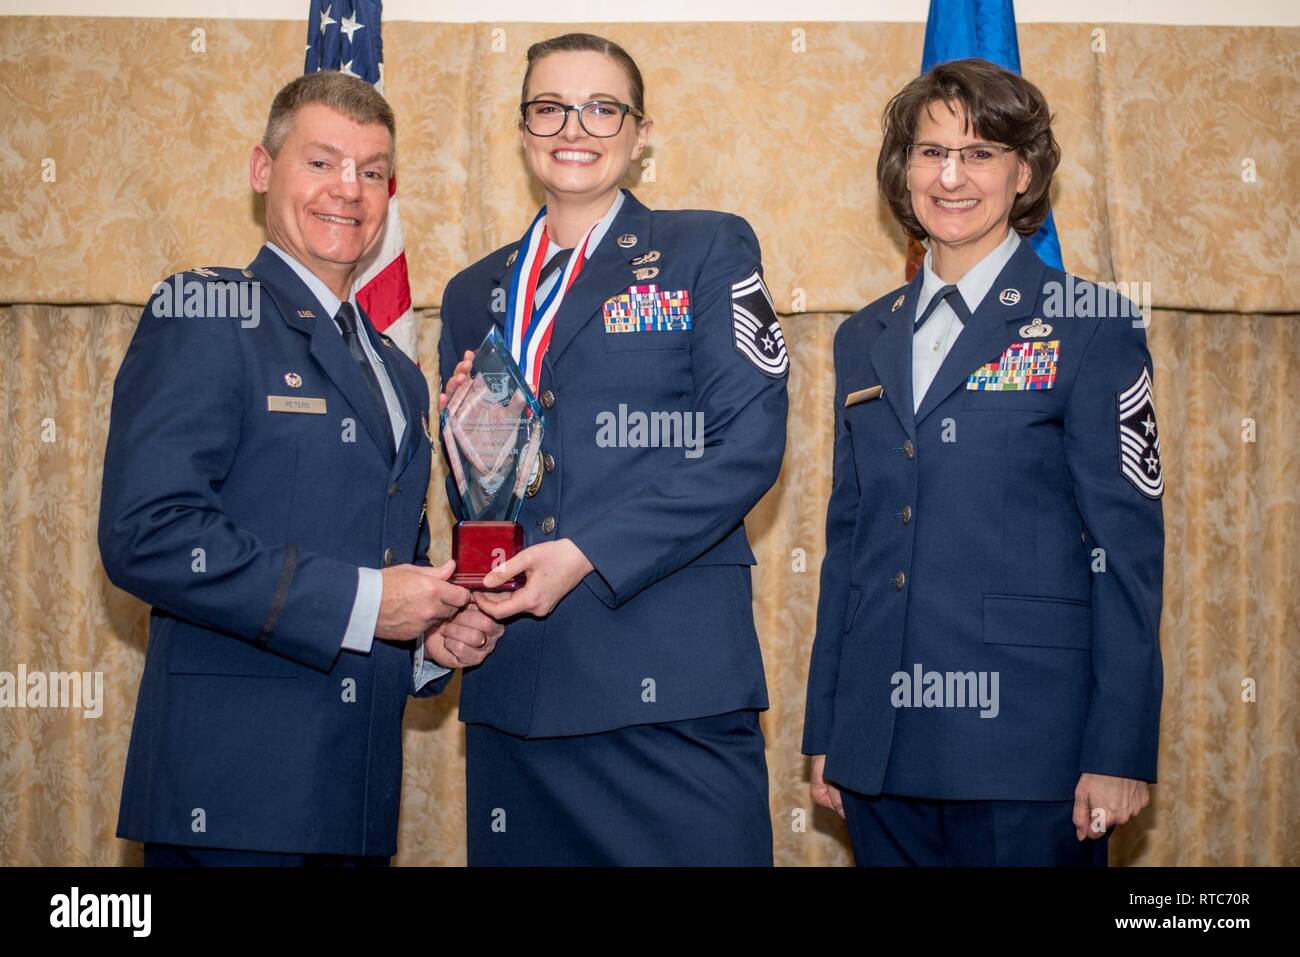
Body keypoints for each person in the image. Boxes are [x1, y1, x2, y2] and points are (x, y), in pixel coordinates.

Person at [99, 70, 501, 866]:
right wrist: (365, 602)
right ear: (262, 170)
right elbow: (147, 534)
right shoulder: (207, 312)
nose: (347, 190)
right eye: (321, 162)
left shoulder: (398, 370)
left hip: (355, 802)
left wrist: (430, 635)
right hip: (233, 799)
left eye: (372, 170)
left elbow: (387, 565)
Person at [437, 33, 788, 865]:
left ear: (640, 133)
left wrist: (587, 553)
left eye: (603, 108)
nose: (575, 127)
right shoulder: (470, 292)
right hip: (517, 687)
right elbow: (486, 497)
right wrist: (464, 437)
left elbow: (746, 443)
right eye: (550, 107)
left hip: (670, 688)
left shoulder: (707, 247)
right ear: (523, 130)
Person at [802, 58, 1164, 866]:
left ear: (1024, 171)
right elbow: (849, 546)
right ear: (904, 172)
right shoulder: (863, 334)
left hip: (1030, 751)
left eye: (981, 152)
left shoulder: (1092, 323)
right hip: (881, 749)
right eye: (931, 153)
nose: (952, 176)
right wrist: (831, 728)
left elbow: (1128, 556)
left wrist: (1121, 749)